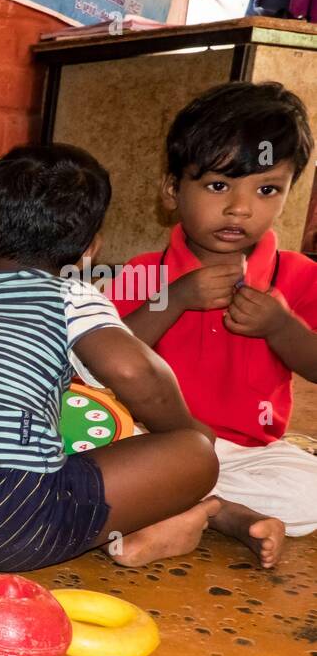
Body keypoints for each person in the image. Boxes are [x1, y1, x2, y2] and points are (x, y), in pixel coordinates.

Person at [0, 145, 220, 572]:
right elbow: (132, 369)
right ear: (90, 251)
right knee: (195, 454)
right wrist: (184, 433)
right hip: (10, 520)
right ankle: (158, 527)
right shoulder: (69, 296)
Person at [113, 81, 317, 566]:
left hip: (249, 453)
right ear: (171, 190)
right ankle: (219, 513)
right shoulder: (144, 272)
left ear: (290, 192)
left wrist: (281, 327)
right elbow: (104, 361)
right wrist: (175, 298)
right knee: (79, 451)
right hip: (155, 442)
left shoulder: (298, 276)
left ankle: (196, 508)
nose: (240, 208)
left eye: (266, 189)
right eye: (218, 186)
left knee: (309, 491)